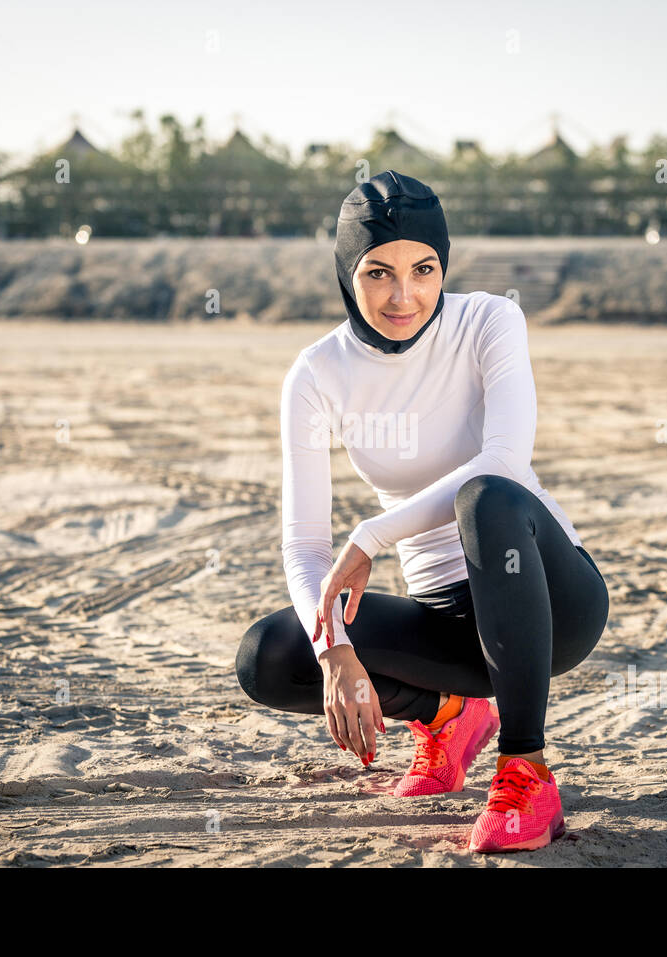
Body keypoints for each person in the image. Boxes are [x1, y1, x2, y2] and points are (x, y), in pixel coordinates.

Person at [235, 170, 608, 853]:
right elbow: (305, 546)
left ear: (444, 267)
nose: (403, 295)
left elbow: (502, 462)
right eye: (378, 272)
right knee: (271, 656)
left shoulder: (489, 320)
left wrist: (373, 534)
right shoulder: (317, 375)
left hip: (552, 603)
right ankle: (448, 717)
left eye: (423, 269)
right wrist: (335, 651)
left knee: (486, 497)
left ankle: (526, 769)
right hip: (450, 630)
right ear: (349, 274)